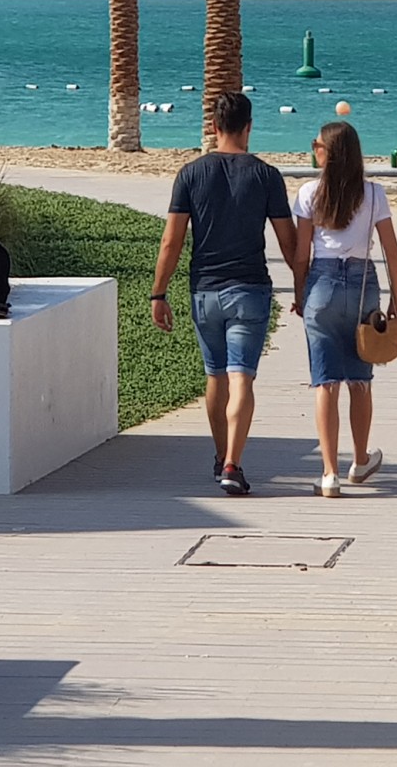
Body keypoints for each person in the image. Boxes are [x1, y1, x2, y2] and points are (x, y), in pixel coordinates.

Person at [150, 92, 298, 496]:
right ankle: (233, 463)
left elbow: (171, 241)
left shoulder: (190, 174)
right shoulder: (267, 176)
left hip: (205, 292)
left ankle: (220, 458)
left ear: (214, 127)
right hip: (249, 290)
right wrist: (302, 286)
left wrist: (157, 294)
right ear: (249, 127)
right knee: (242, 378)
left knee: (215, 376)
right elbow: (290, 243)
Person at [291, 121, 397, 497]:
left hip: (321, 285)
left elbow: (301, 253)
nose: (314, 150)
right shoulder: (373, 195)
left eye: (317, 145)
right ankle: (359, 460)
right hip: (362, 286)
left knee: (325, 383)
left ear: (330, 152)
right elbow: (390, 249)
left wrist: (299, 293)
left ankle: (328, 474)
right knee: (359, 377)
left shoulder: (309, 193)